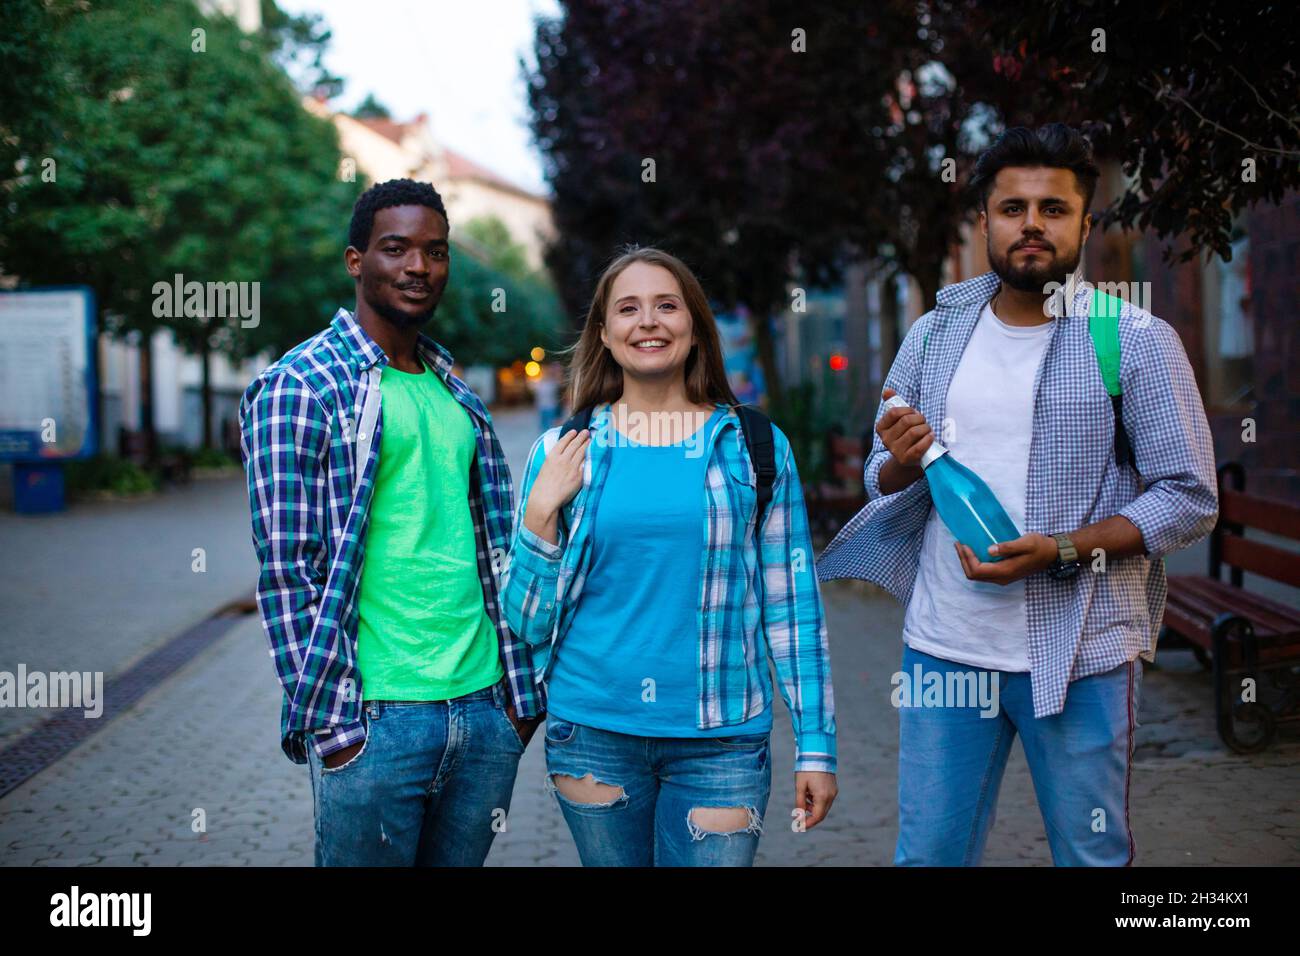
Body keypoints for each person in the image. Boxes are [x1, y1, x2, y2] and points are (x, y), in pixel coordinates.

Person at [818, 125, 1218, 866]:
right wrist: (901, 463)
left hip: (1081, 650)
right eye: (1012, 207)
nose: (1031, 223)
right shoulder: (933, 335)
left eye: (1053, 208)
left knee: (1089, 857)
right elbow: (879, 471)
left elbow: (1189, 495)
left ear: (1084, 224)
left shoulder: (1131, 338)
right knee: (928, 856)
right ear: (984, 222)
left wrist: (1064, 549)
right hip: (944, 650)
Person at [239, 178, 542, 866]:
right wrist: (334, 724)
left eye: (435, 252)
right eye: (396, 248)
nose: (418, 267)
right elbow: (287, 574)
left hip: (485, 710)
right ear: (356, 261)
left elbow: (493, 551)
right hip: (375, 720)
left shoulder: (456, 394)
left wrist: (517, 704)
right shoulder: (303, 385)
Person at [503, 247, 837, 866]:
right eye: (628, 309)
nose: (648, 321)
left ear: (693, 326)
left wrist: (816, 745)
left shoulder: (753, 447)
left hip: (723, 742)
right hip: (593, 735)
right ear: (605, 335)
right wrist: (539, 515)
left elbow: (791, 609)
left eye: (666, 305)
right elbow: (526, 623)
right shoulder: (562, 450)